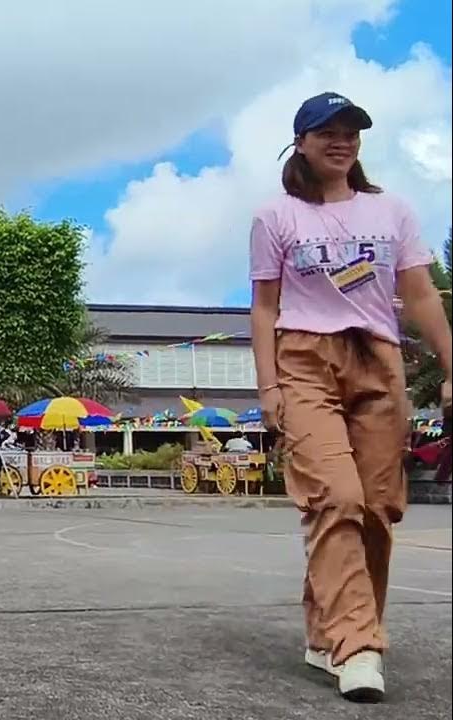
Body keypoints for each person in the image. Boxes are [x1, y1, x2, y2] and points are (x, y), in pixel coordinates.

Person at [249, 91, 453, 703]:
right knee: (334, 496)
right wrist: (269, 386)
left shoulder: (390, 210)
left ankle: (328, 631)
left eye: (352, 131)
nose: (341, 141)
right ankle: (358, 645)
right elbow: (263, 308)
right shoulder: (275, 216)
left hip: (379, 360)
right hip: (305, 357)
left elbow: (419, 296)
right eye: (327, 132)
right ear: (301, 142)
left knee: (376, 508)